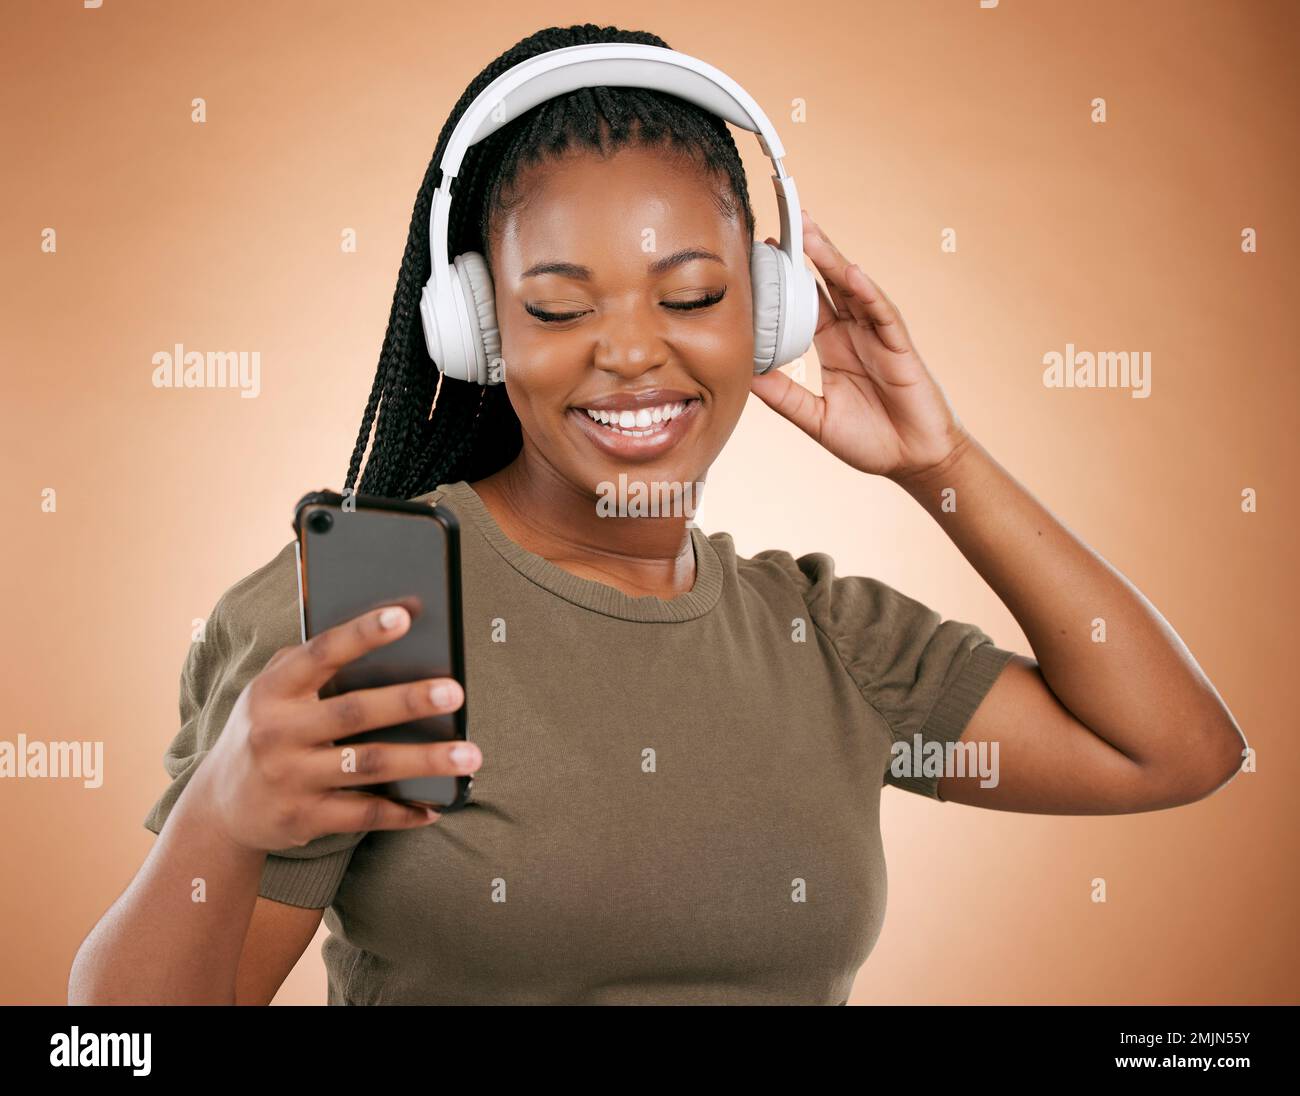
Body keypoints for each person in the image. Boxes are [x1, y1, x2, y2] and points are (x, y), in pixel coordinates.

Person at [69, 23, 1245, 1006]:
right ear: (477, 331)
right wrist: (220, 814)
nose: (632, 351)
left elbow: (1174, 752)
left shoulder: (822, 637)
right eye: (556, 305)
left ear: (770, 310)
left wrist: (937, 462)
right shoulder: (376, 616)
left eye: (692, 294)